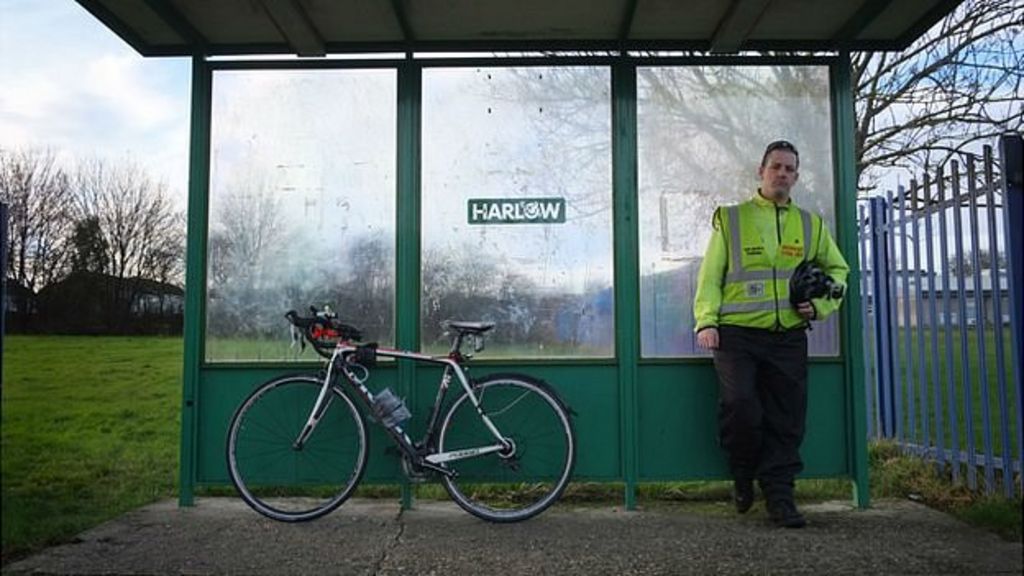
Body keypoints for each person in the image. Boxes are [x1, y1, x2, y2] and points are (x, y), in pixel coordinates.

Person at [693, 140, 849, 528]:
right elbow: (710, 276)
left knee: (787, 418)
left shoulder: (811, 225)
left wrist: (822, 306)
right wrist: (706, 320)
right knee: (741, 407)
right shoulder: (731, 219)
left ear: (796, 177)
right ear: (760, 172)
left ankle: (780, 497)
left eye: (789, 169)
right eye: (776, 166)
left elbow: (839, 272)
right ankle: (743, 473)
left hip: (788, 337)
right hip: (736, 335)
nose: (782, 173)